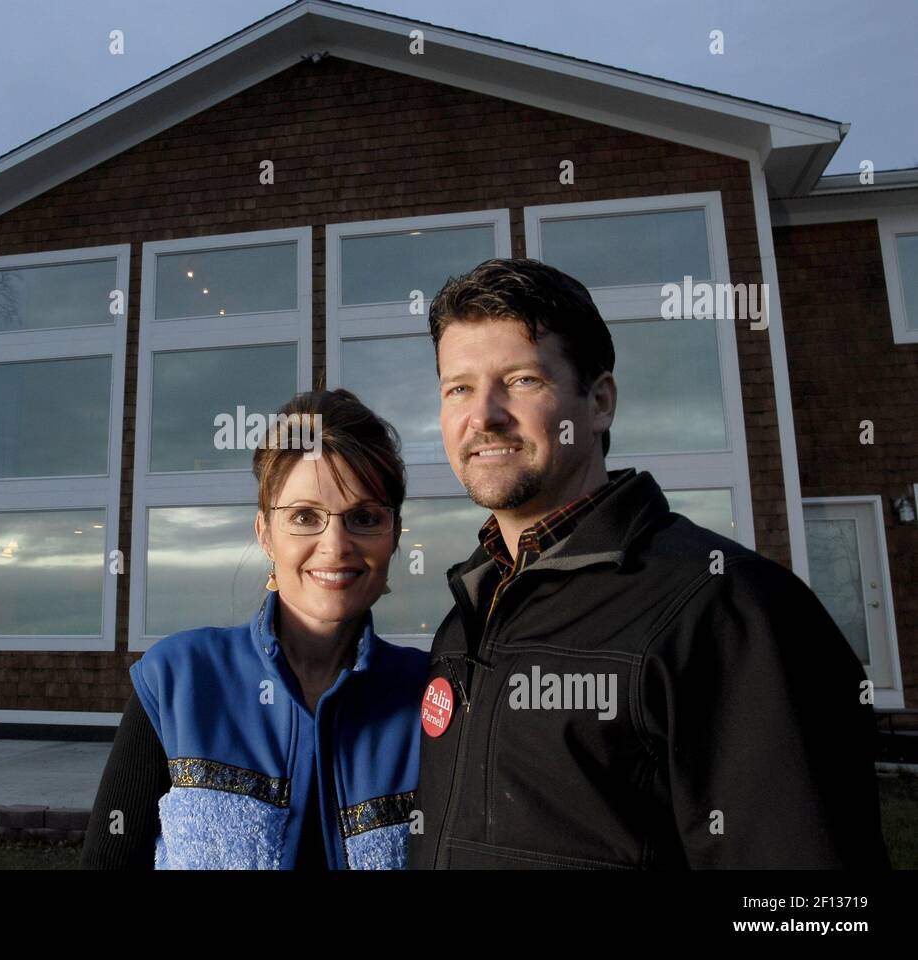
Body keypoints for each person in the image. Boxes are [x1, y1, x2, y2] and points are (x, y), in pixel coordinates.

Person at [408, 257, 890, 869]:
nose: (484, 415)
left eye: (522, 380)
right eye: (459, 388)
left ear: (600, 401)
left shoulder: (728, 608)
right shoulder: (469, 612)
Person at [82, 388, 428, 869]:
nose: (336, 545)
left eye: (364, 518)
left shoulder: (432, 695)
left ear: (393, 536)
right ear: (265, 532)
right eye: (305, 517)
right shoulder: (178, 679)